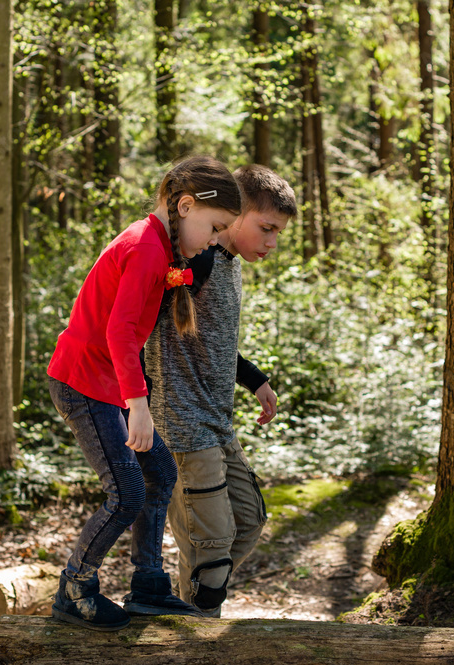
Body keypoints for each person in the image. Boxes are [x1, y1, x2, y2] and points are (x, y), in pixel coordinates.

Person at [46, 155, 242, 631]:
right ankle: (75, 588)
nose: (215, 241)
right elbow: (119, 331)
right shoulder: (146, 247)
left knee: (158, 473)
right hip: (82, 382)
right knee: (127, 492)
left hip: (107, 384)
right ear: (186, 205)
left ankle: (148, 583)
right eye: (215, 228)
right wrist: (139, 406)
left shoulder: (161, 246)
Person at [143, 164, 297, 617]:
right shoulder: (200, 262)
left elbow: (212, 342)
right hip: (184, 430)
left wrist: (255, 379)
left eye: (278, 233)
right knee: (211, 555)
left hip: (218, 424)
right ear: (235, 213)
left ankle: (189, 605)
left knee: (248, 521)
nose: (271, 242)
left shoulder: (230, 268)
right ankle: (194, 631)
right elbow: (148, 323)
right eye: (266, 228)